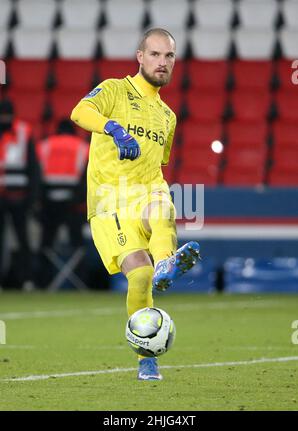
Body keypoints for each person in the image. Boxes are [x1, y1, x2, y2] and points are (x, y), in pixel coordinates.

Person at [71, 28, 200, 380]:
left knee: (163, 207)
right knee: (139, 277)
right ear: (140, 57)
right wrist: (113, 128)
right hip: (109, 201)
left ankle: (166, 263)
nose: (163, 62)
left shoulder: (168, 117)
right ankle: (146, 356)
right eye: (155, 54)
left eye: (169, 56)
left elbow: (157, 165)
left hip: (145, 191)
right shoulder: (114, 89)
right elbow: (79, 112)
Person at [36, 119, 89, 289]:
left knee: (46, 244)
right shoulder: (82, 147)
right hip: (73, 205)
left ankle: (43, 282)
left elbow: (36, 177)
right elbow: (87, 179)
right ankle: (80, 282)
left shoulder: (44, 146)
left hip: (49, 205)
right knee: (78, 245)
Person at [0, 99, 38, 290]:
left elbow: (33, 166)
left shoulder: (23, 132)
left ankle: (27, 279)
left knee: (22, 240)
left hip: (19, 196)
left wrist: (32, 198)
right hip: (6, 196)